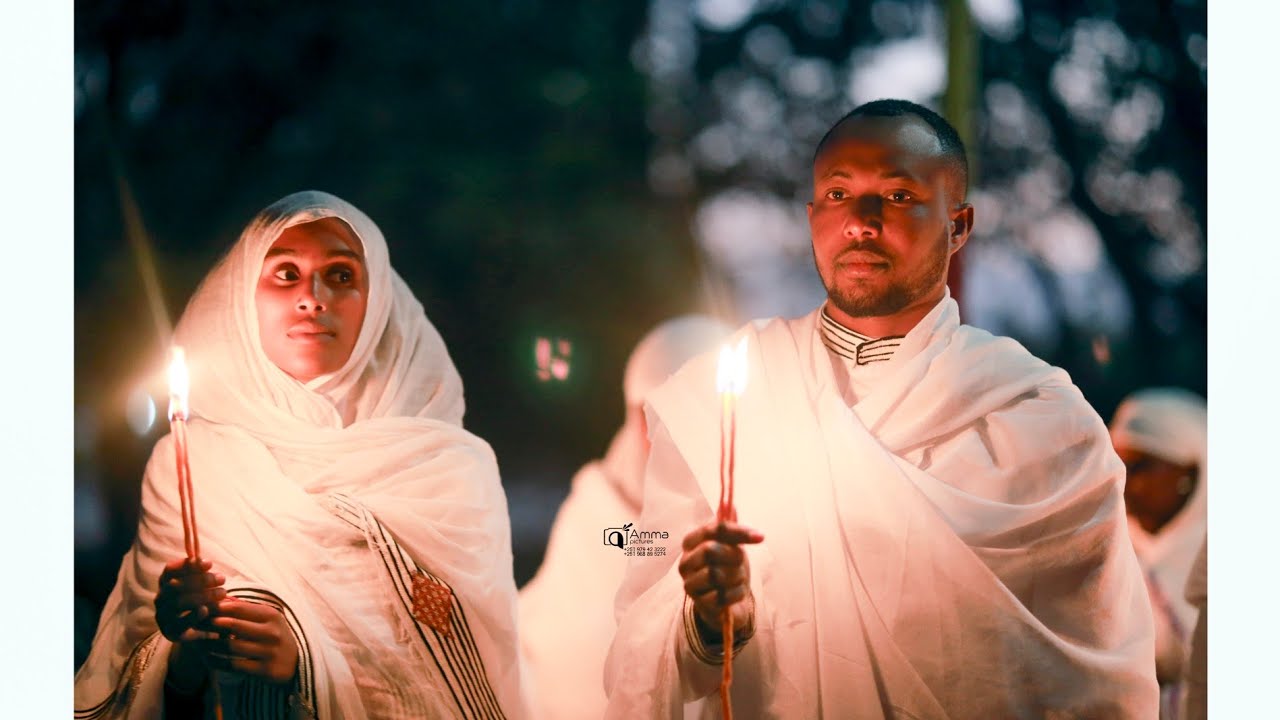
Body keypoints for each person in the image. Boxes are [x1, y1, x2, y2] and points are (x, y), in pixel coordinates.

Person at [604, 99, 1158, 718]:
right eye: (838, 195)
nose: (861, 223)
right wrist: (710, 622)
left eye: (896, 197)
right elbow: (638, 643)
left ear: (960, 224)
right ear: (812, 215)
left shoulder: (1040, 420)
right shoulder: (723, 401)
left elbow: (1094, 679)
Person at [74, 191, 524, 719]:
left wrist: (310, 662)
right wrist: (189, 648)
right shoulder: (193, 464)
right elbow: (152, 678)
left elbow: (461, 665)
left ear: (376, 303)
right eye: (285, 274)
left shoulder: (446, 470)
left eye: (340, 276)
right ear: (245, 298)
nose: (312, 298)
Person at [518, 315, 731, 720]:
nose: (665, 436)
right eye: (653, 416)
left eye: (695, 415)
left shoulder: (763, 508)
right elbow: (562, 650)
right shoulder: (600, 516)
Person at [1109, 388, 1208, 718]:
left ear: (1191, 470)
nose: (1121, 480)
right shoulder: (1110, 544)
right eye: (1114, 463)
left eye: (1139, 466)